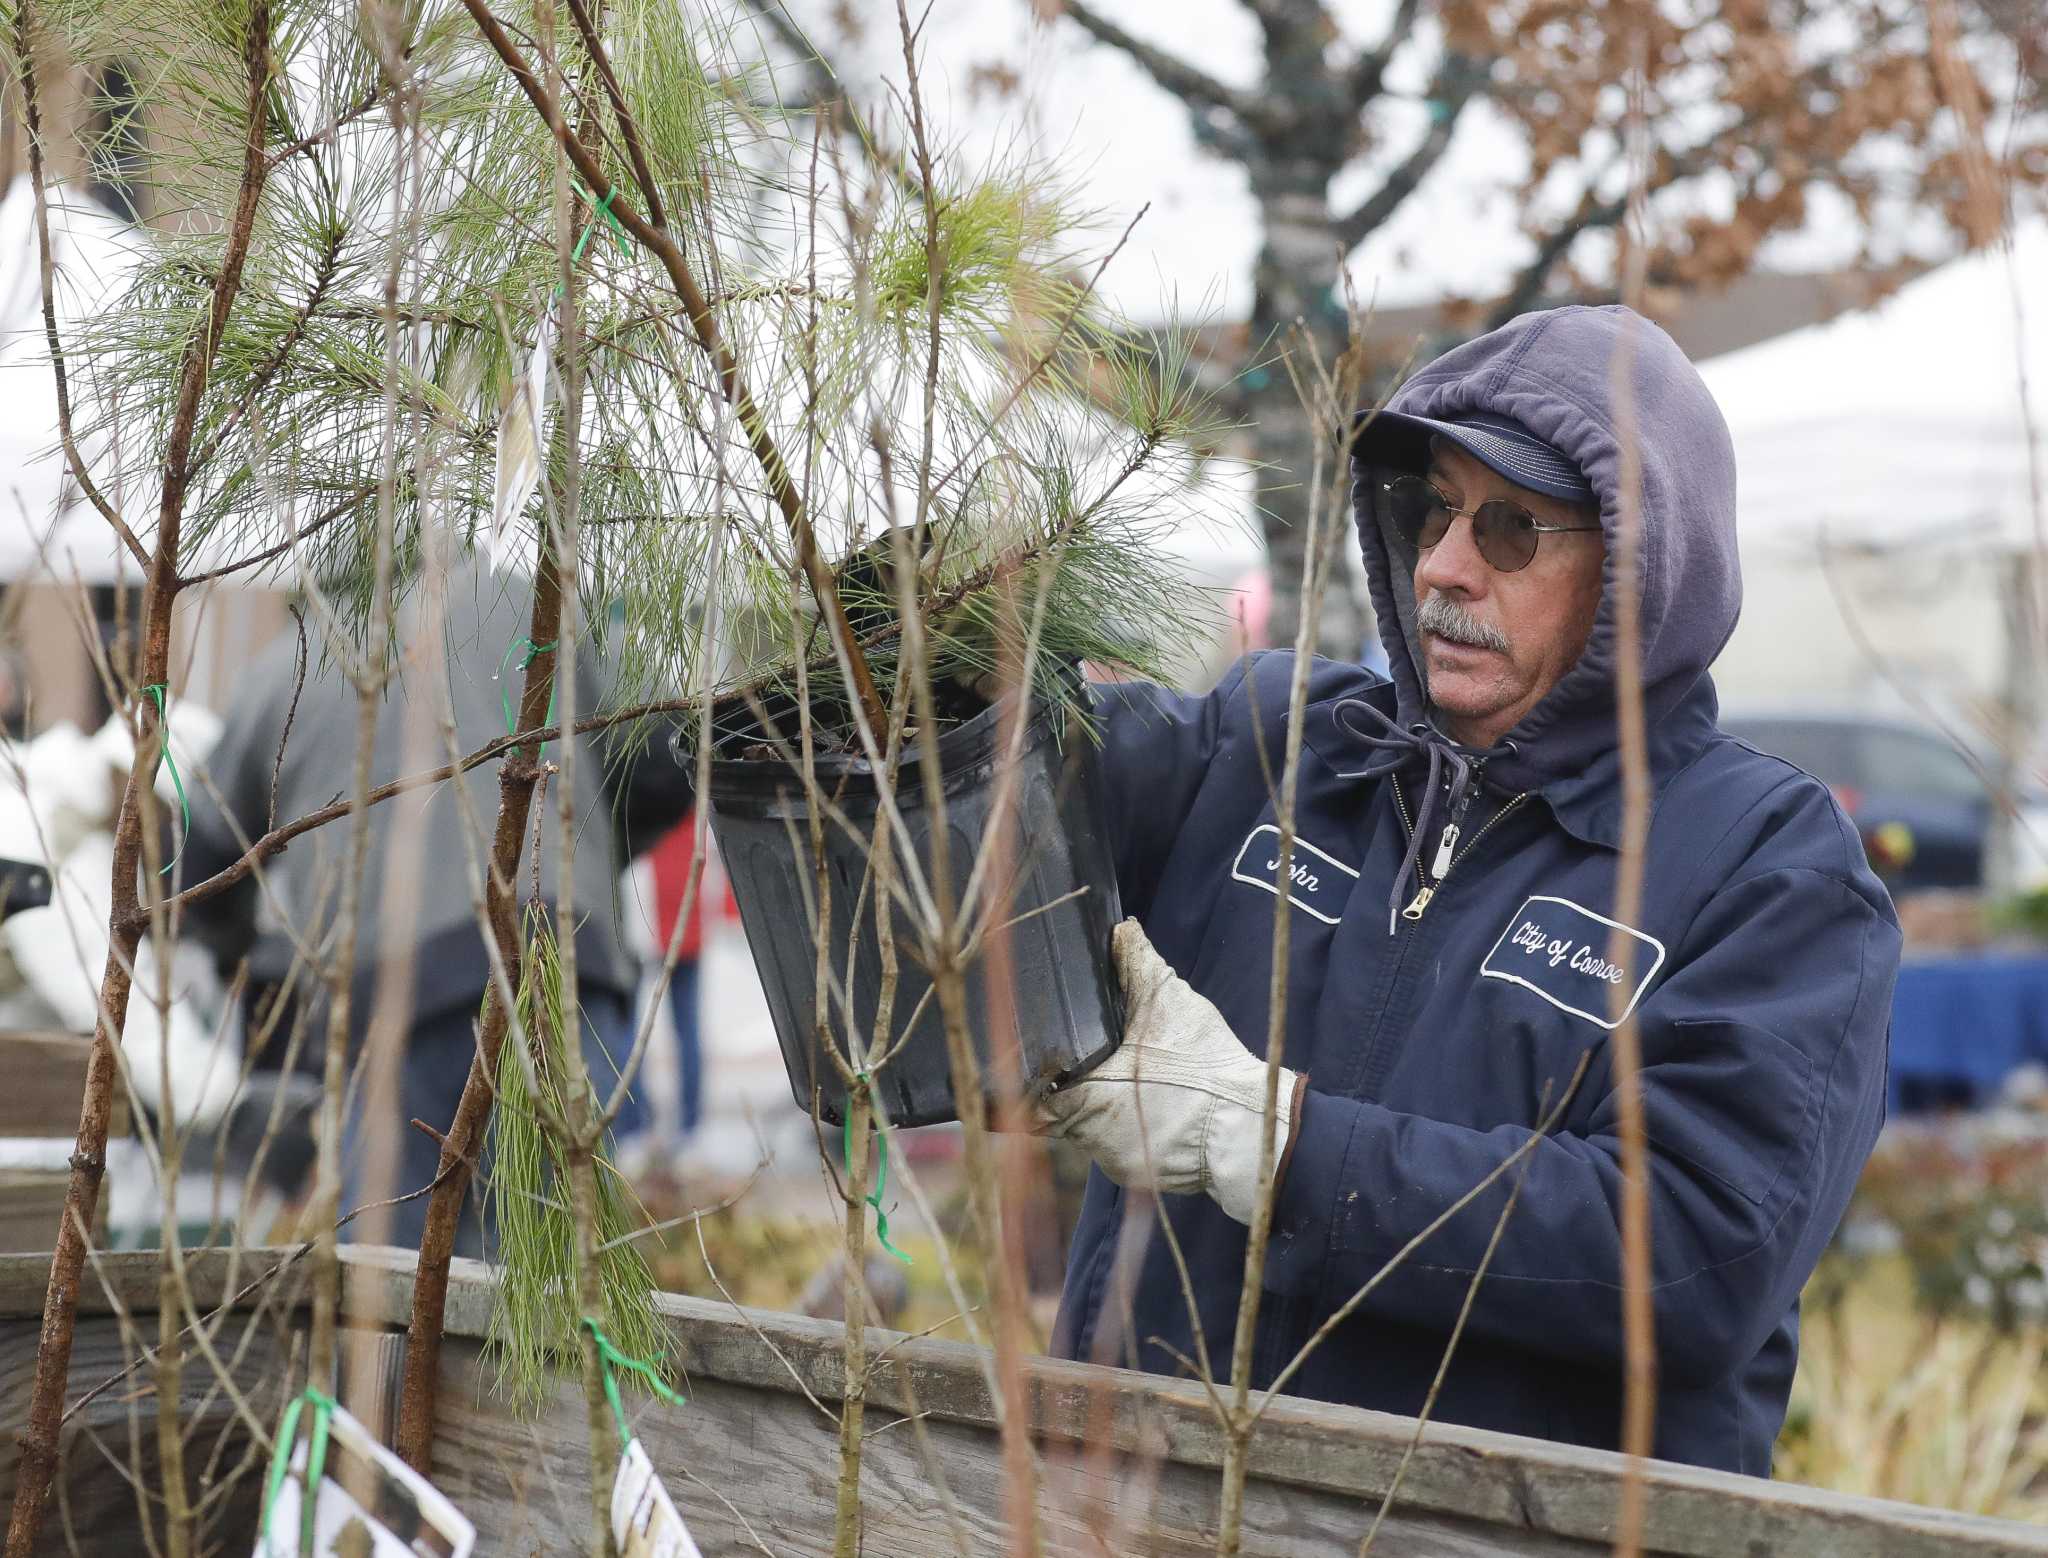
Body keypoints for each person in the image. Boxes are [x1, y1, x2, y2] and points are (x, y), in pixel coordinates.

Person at [1043, 304, 1898, 1476]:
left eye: (1508, 528)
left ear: (1637, 570)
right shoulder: (1274, 744)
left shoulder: (1766, 868)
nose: (1443, 565)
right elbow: (992, 789)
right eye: (1430, 509)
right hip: (1144, 1504)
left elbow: (1691, 1257)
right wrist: (914, 655)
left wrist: (1276, 1144)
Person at [181, 556, 692, 1251]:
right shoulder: (539, 612)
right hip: (561, 962)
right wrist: (591, 850)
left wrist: (236, 948)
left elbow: (202, 871)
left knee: (399, 1293)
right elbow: (667, 764)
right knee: (564, 1278)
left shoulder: (286, 671)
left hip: (396, 996)